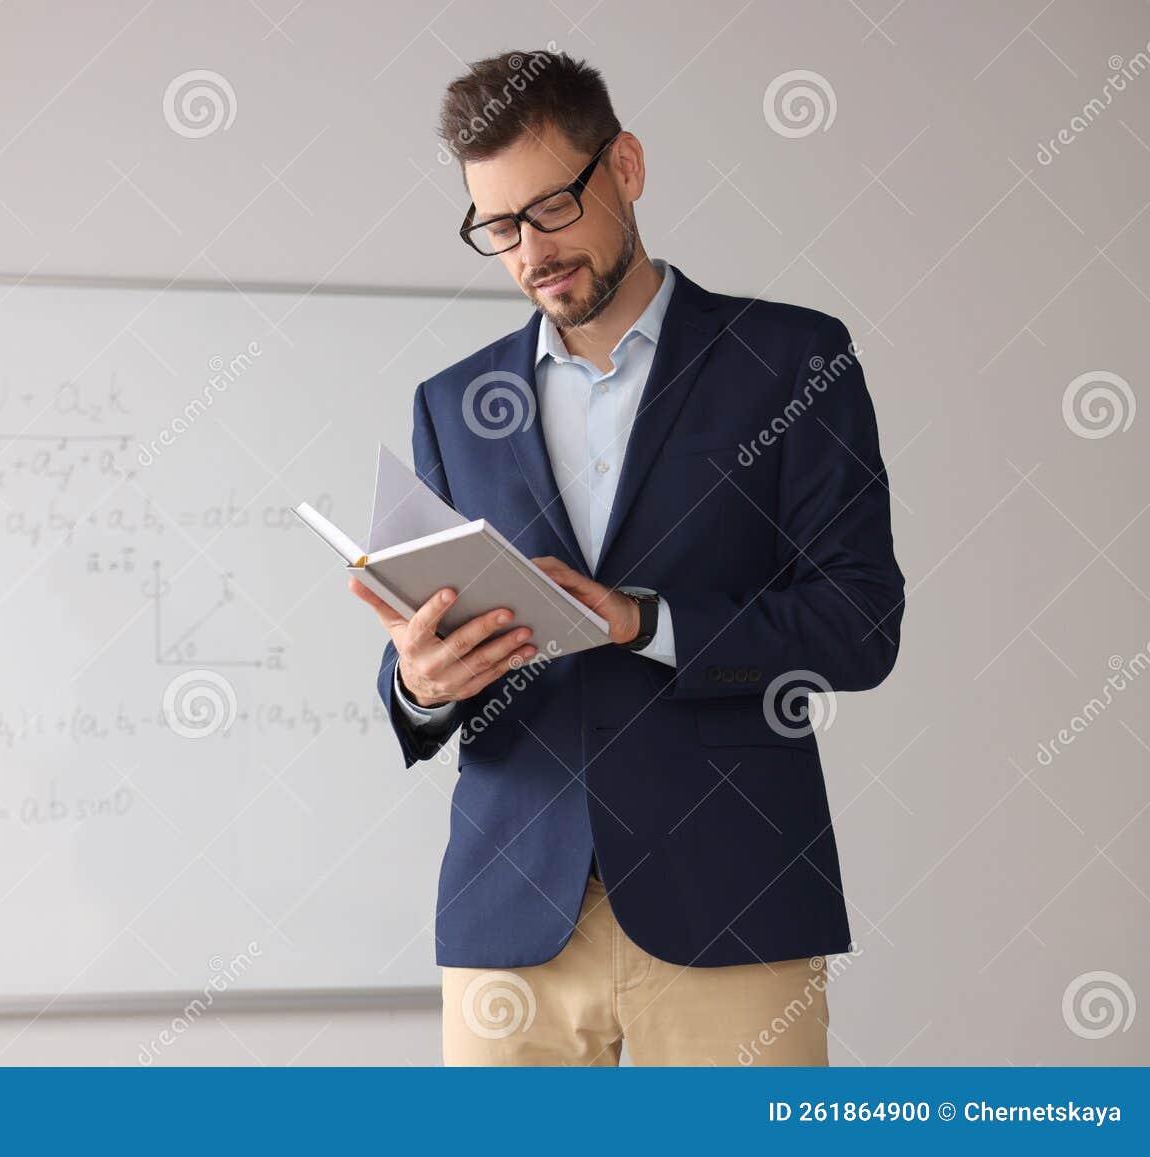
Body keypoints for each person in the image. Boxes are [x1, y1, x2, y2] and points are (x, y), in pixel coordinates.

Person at [349, 49, 905, 1066]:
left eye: (551, 207)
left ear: (626, 167)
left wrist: (642, 620)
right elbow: (431, 641)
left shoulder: (790, 361)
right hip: (511, 917)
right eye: (499, 227)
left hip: (732, 901)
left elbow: (860, 623)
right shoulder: (453, 404)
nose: (532, 252)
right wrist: (419, 683)